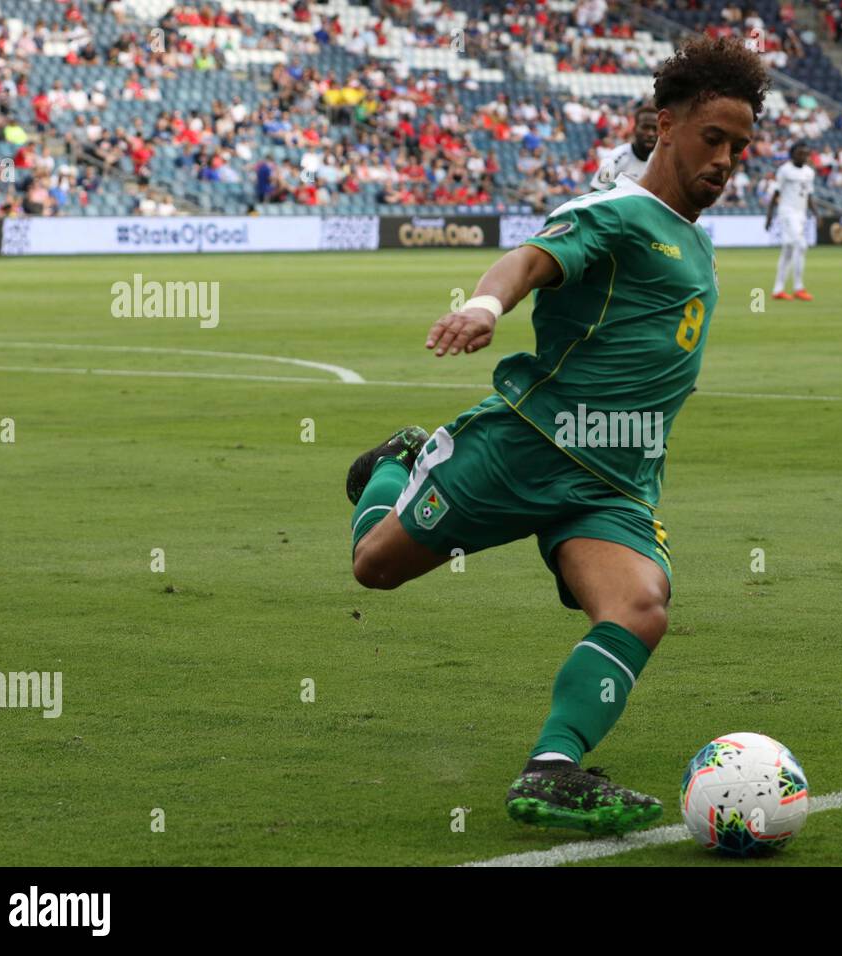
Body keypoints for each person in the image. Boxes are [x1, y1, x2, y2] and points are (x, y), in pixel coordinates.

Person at [343, 36, 769, 836]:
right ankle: (393, 466)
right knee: (376, 569)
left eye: (740, 147)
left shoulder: (696, 236)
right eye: (713, 138)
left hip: (613, 481)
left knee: (641, 607)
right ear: (666, 124)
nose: (726, 159)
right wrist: (482, 307)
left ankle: (552, 770)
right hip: (528, 447)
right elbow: (532, 258)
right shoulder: (614, 213)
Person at [766, 141, 816, 300]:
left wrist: (816, 213)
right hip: (787, 212)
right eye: (799, 153)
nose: (803, 156)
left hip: (800, 213)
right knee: (801, 245)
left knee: (787, 251)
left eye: (805, 153)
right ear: (792, 154)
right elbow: (775, 194)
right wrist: (769, 216)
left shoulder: (809, 172)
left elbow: (809, 195)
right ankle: (798, 287)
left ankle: (778, 290)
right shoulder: (784, 170)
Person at [590, 103, 658, 190]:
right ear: (634, 130)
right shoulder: (613, 160)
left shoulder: (660, 161)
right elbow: (595, 194)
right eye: (645, 127)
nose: (650, 134)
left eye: (655, 128)